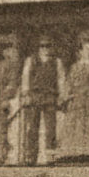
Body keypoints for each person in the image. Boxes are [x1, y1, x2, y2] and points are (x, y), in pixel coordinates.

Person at [19, 36, 66, 166]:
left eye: (48, 46)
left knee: (51, 128)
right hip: (34, 96)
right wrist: (25, 94)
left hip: (50, 97)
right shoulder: (31, 60)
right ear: (39, 47)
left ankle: (50, 156)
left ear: (51, 47)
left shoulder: (57, 62)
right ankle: (30, 156)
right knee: (32, 128)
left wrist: (62, 96)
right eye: (42, 46)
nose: (45, 49)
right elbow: (25, 78)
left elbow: (61, 80)